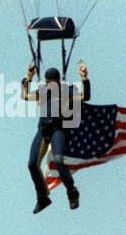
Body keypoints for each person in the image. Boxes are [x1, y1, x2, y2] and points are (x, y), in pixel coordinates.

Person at [22, 60, 90, 213]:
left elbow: (85, 97)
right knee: (32, 164)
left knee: (59, 161)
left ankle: (72, 193)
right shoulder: (43, 92)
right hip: (43, 131)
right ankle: (42, 197)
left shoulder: (67, 91)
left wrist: (84, 79)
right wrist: (28, 76)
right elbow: (25, 96)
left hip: (57, 130)